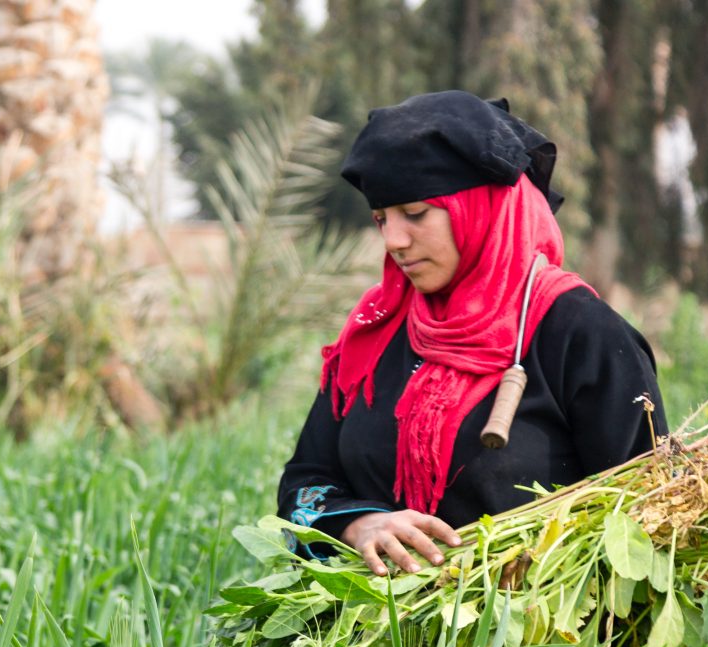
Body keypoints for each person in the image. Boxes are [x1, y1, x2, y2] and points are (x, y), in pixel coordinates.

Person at [278, 90, 668, 576]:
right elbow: (303, 484)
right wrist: (358, 526)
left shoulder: (582, 335)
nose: (394, 240)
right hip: (376, 637)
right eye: (381, 218)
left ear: (483, 208)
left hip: (534, 644)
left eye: (415, 213)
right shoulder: (375, 333)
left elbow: (650, 520)